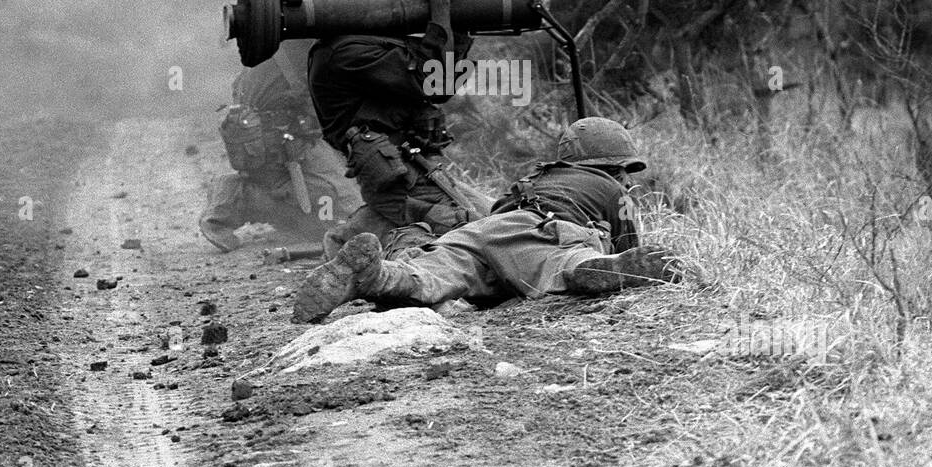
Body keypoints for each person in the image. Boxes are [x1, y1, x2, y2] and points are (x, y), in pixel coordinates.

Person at [291, 117, 679, 323]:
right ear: (614, 167)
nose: (628, 177)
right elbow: (632, 243)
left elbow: (498, 213)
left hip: (486, 232)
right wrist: (626, 259)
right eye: (625, 169)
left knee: (438, 268)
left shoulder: (536, 177)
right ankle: (594, 270)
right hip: (550, 230)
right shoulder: (610, 188)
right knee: (562, 262)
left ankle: (376, 276)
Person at [301, 0, 491, 257]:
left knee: (499, 214)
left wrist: (456, 18)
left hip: (419, 174)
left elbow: (440, 75)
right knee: (481, 243)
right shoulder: (348, 51)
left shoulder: (363, 39)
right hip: (401, 180)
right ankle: (375, 255)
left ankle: (357, 236)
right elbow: (435, 82)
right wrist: (440, 4)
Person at [200, 0, 363, 256]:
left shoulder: (274, 47)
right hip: (282, 148)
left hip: (276, 145)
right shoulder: (296, 55)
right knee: (349, 206)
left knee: (333, 204)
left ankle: (248, 200)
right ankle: (242, 198)